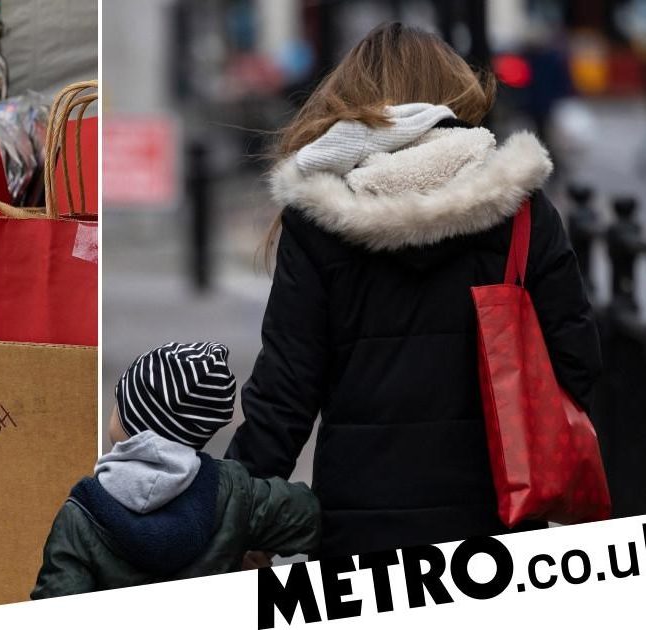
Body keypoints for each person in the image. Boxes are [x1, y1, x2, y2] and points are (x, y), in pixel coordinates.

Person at [227, 22, 602, 559]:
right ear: (453, 90)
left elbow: (284, 391)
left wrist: (242, 520)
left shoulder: (318, 220)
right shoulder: (518, 210)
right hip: (497, 519)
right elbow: (578, 361)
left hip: (359, 522)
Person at [31, 342, 321, 598]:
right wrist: (256, 549)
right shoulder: (234, 492)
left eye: (121, 401)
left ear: (134, 423)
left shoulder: (81, 514)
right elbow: (309, 517)